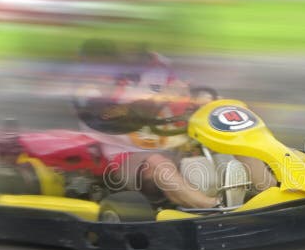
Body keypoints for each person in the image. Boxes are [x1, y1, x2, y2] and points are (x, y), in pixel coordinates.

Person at [71, 40, 275, 209]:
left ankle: (271, 192)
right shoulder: (91, 81)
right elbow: (107, 119)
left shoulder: (156, 65)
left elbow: (189, 91)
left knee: (235, 140)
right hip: (122, 156)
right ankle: (211, 207)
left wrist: (212, 102)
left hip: (173, 139)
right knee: (158, 164)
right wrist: (158, 100)